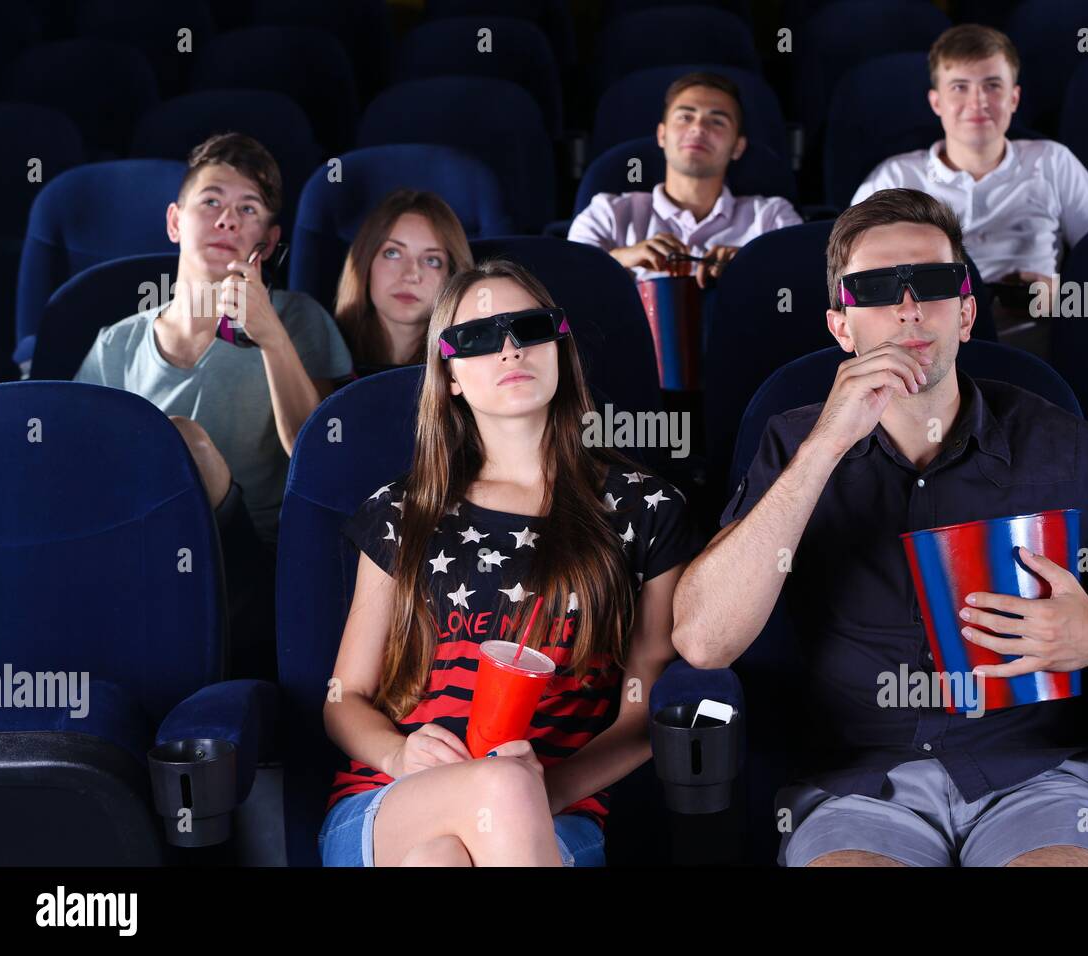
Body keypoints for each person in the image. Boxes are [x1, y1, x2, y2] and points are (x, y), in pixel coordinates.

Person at [671, 188, 1088, 868]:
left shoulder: (1056, 443)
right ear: (841, 328)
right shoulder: (793, 443)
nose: (909, 307)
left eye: (935, 283)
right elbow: (704, 641)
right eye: (878, 288)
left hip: (1039, 779)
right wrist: (826, 448)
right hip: (857, 789)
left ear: (967, 312)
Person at [320, 259, 699, 866]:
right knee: (468, 812)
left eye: (528, 327)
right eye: (475, 337)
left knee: (438, 860)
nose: (508, 349)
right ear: (448, 378)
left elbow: (640, 713)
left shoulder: (642, 506)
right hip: (390, 798)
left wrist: (535, 792)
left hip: (558, 811)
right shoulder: (403, 510)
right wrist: (396, 755)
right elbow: (345, 697)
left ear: (559, 347)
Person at [74, 132, 354, 677]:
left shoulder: (300, 320)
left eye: (246, 209)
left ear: (267, 243)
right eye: (211, 203)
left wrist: (270, 335)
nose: (226, 220)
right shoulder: (117, 342)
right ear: (176, 222)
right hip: (137, 552)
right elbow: (81, 465)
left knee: (182, 439)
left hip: (254, 561)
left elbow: (321, 454)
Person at [850, 25, 1088, 300]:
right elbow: (846, 273)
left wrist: (1063, 295)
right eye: (960, 87)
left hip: (1034, 328)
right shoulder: (893, 178)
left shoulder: (1053, 161)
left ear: (1014, 98)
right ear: (936, 102)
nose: (977, 102)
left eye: (992, 86)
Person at [569, 71, 802, 288]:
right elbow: (564, 285)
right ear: (661, 135)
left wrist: (753, 268)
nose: (698, 128)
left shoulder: (772, 217)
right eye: (685, 117)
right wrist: (619, 259)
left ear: (738, 147)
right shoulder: (607, 213)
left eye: (717, 121)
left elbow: (806, 287)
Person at [332, 189, 474, 381]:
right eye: (393, 253)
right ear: (366, 262)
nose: (411, 275)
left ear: (451, 276)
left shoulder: (468, 366)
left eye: (432, 260)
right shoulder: (322, 349)